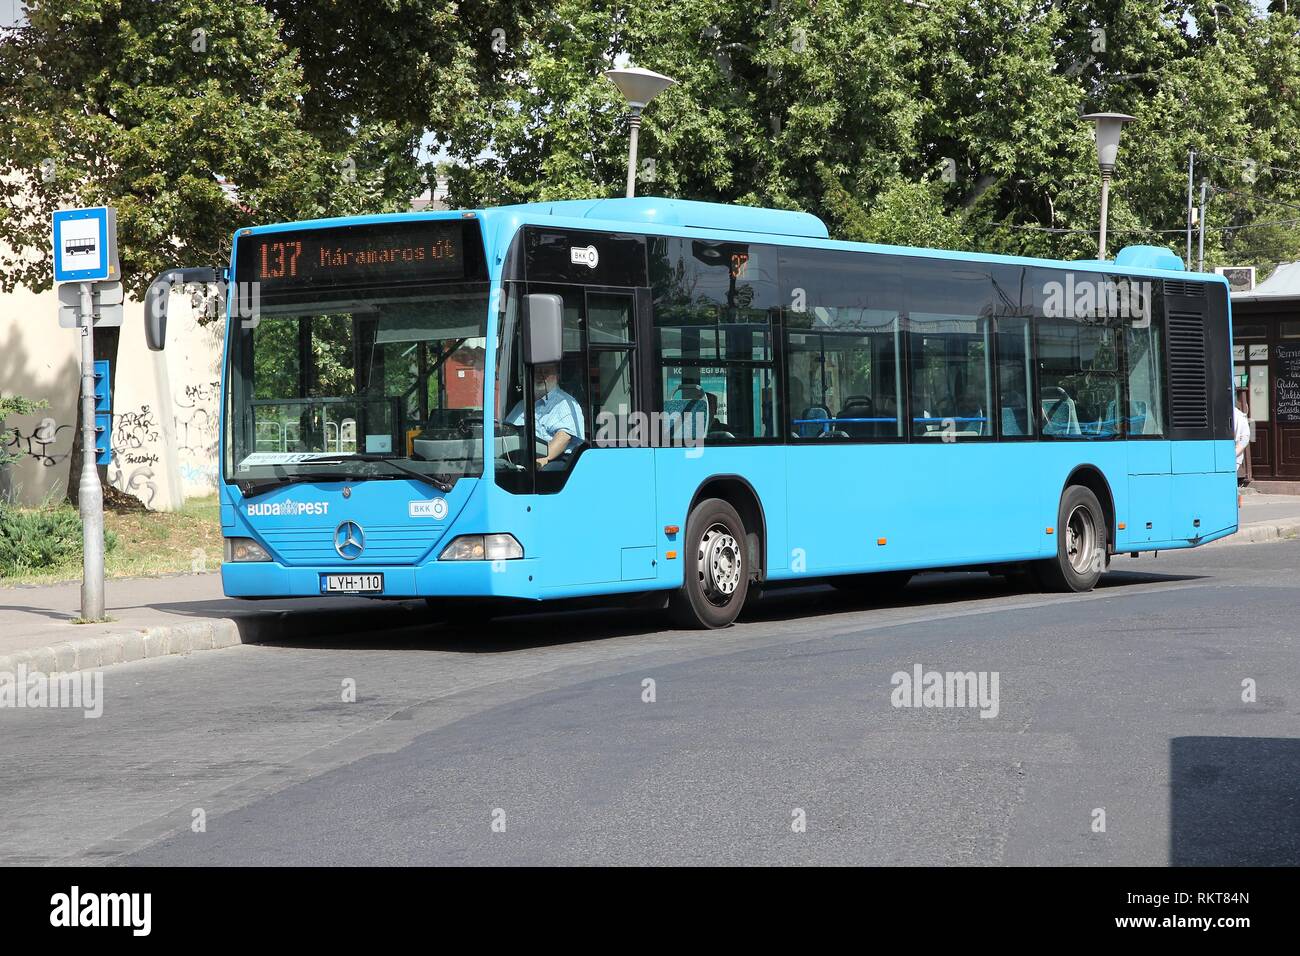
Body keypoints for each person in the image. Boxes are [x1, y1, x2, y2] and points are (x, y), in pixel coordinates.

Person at [506, 362, 584, 469]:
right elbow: (508, 431)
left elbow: (564, 437)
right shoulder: (522, 405)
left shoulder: (565, 403)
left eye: (546, 372)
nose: (541, 376)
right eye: (537, 371)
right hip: (522, 458)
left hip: (555, 459)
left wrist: (545, 458)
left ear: (557, 376)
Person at [1233, 386, 1252, 485]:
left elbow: (1244, 438)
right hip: (1234, 457)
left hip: (1233, 457)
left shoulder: (1238, 415)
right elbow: (1245, 438)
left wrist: (1234, 453)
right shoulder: (1239, 415)